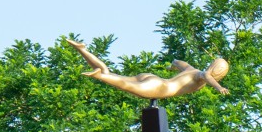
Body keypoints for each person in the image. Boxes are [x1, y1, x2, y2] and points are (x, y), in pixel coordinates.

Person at [67, 39, 230, 99]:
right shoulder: (201, 76)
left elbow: (176, 61)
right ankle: (100, 76)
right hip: (159, 88)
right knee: (117, 82)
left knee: (110, 74)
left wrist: (171, 67)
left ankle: (82, 50)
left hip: (152, 79)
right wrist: (218, 87)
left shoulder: (191, 69)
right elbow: (207, 76)